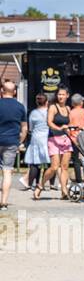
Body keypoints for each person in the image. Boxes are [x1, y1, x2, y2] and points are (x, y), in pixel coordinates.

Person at [39, 86, 73, 200]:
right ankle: (41, 184)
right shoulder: (53, 107)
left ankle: (64, 191)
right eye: (59, 94)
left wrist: (70, 128)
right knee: (54, 167)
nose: (61, 97)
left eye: (63, 94)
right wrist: (59, 128)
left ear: (67, 95)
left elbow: (69, 123)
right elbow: (49, 122)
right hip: (53, 138)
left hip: (65, 139)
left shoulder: (68, 108)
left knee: (64, 167)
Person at [0, 80, 28, 210]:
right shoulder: (20, 107)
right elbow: (24, 129)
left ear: (1, 91)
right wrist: (19, 142)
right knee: (7, 171)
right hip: (11, 142)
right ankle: (4, 202)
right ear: (15, 92)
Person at [24, 93, 48, 191]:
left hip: (36, 138)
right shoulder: (50, 111)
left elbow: (30, 128)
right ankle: (45, 183)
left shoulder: (33, 113)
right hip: (46, 137)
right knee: (47, 162)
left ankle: (30, 184)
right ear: (47, 102)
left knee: (35, 162)